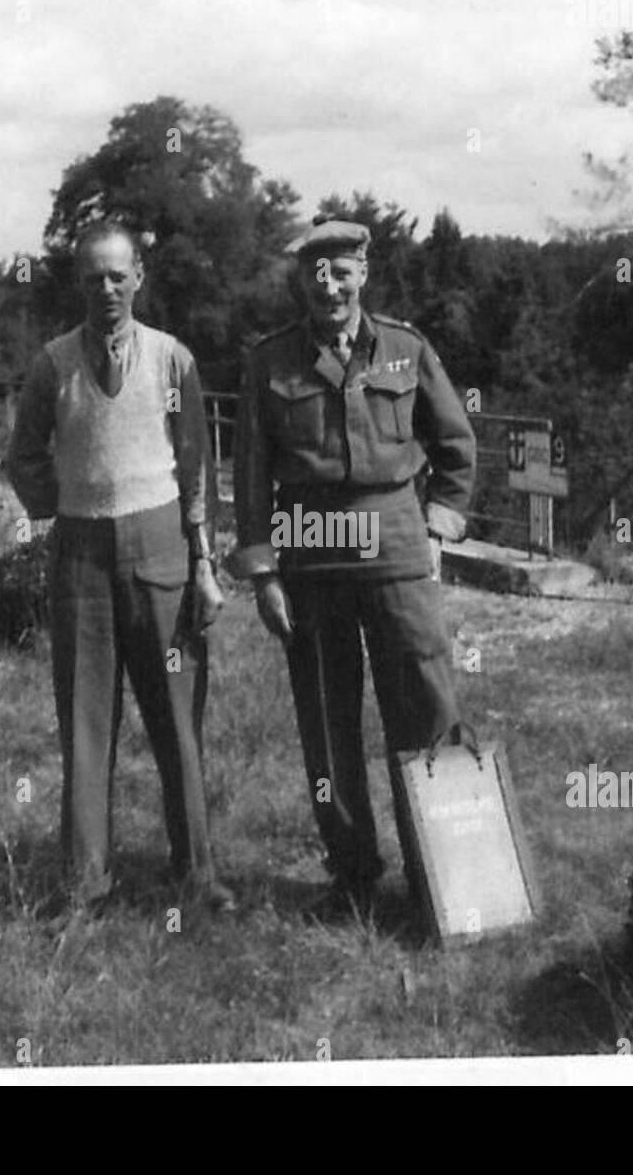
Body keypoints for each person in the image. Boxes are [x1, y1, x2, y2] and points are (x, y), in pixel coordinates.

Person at [228, 215, 477, 916]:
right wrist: (264, 573)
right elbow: (250, 477)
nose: (328, 285)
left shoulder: (405, 348)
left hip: (396, 540)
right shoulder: (269, 362)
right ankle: (354, 877)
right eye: (314, 272)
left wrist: (438, 526)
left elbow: (455, 442)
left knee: (427, 703)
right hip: (311, 548)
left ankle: (450, 871)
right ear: (298, 281)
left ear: (363, 272)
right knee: (327, 721)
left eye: (340, 271)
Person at [7, 220, 236, 914]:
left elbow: (196, 467)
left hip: (162, 545)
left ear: (139, 277)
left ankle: (196, 874)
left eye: (118, 275)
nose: (106, 288)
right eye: (92, 277)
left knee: (176, 717)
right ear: (78, 283)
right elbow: (22, 456)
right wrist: (62, 501)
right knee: (85, 721)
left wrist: (203, 564)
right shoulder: (53, 364)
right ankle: (84, 884)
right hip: (80, 556)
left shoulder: (173, 361)